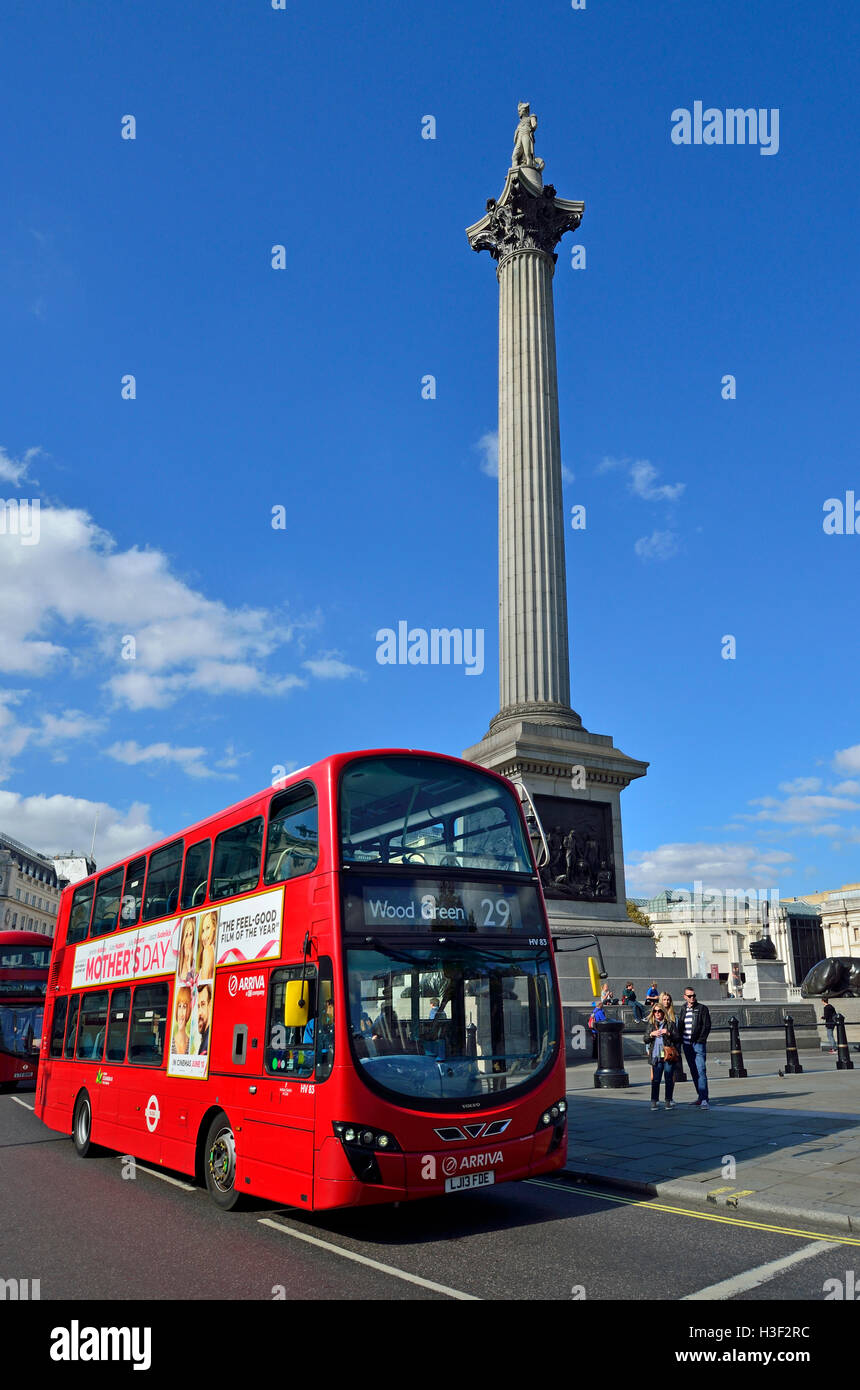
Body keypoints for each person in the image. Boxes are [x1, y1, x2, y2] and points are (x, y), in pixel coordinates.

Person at [677, 986, 712, 1108]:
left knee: (701, 1070)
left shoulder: (702, 1008)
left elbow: (706, 1026)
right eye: (690, 996)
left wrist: (701, 1040)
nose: (692, 998)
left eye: (694, 995)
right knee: (693, 1071)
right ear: (685, 997)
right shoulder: (683, 1009)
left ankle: (704, 1099)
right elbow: (680, 1026)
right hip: (687, 1045)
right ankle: (700, 1096)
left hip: (698, 1045)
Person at [645, 1005, 679, 1110]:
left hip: (667, 1056)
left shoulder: (670, 1024)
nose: (657, 1013)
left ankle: (668, 1100)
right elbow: (645, 1039)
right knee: (656, 1079)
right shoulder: (651, 1024)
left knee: (668, 1078)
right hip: (656, 1055)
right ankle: (654, 1101)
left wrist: (668, 1033)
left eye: (659, 1011)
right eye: (655, 1011)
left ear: (663, 1012)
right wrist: (651, 1034)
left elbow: (677, 1037)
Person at [172, 985, 192, 1055]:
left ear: (189, 1011)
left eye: (184, 1007)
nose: (181, 1013)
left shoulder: (191, 1045)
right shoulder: (170, 1042)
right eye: (179, 1006)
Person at [196, 983, 212, 1055]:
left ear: (210, 1005)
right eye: (198, 1006)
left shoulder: (208, 1042)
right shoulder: (205, 1039)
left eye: (203, 1005)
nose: (199, 1012)